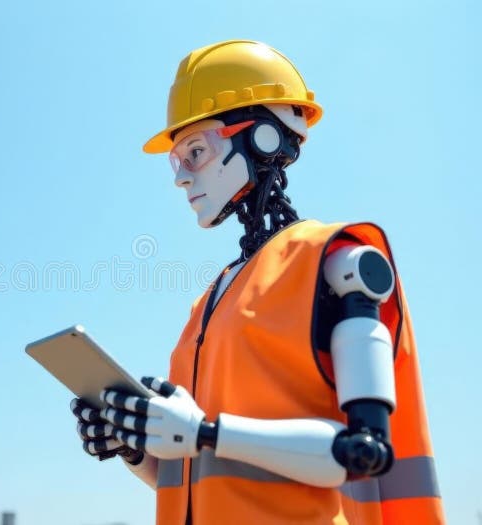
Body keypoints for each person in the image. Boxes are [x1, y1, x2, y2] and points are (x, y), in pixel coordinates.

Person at [70, 40, 444, 525]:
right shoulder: (210, 300)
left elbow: (365, 452)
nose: (180, 178)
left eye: (196, 152)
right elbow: (194, 476)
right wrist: (135, 443)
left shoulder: (338, 260)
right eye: (176, 160)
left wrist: (203, 431)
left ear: (264, 138)